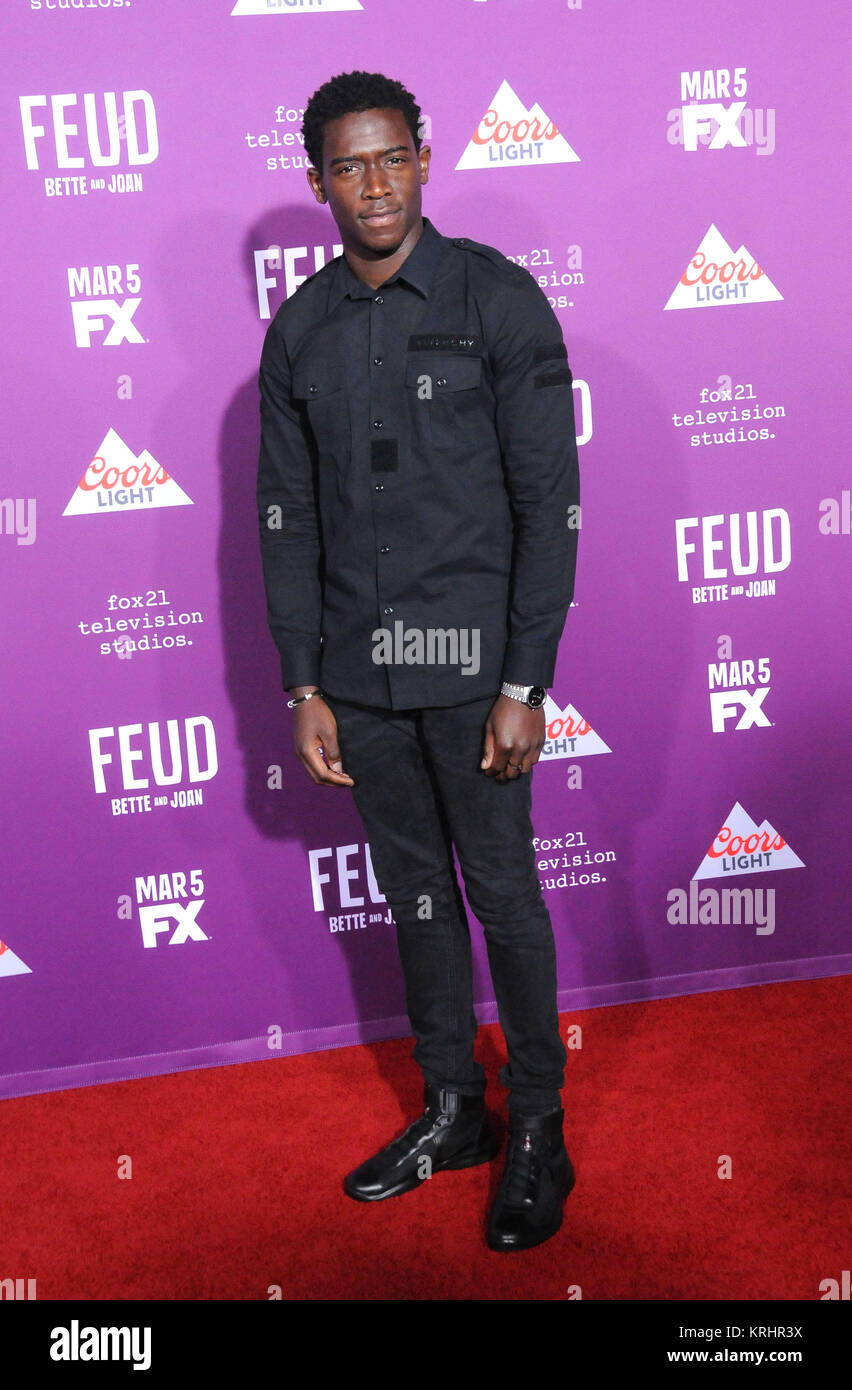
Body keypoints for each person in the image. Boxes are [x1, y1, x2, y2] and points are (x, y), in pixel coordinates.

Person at [256, 70, 580, 1252]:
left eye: (391, 157)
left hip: (476, 678)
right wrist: (304, 681)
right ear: (317, 184)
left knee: (503, 898)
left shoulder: (498, 301)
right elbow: (285, 519)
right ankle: (456, 1109)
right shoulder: (299, 331)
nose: (374, 183)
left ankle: (538, 1123)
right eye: (349, 166)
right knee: (418, 900)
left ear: (425, 161)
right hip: (363, 685)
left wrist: (523, 682)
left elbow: (551, 507)